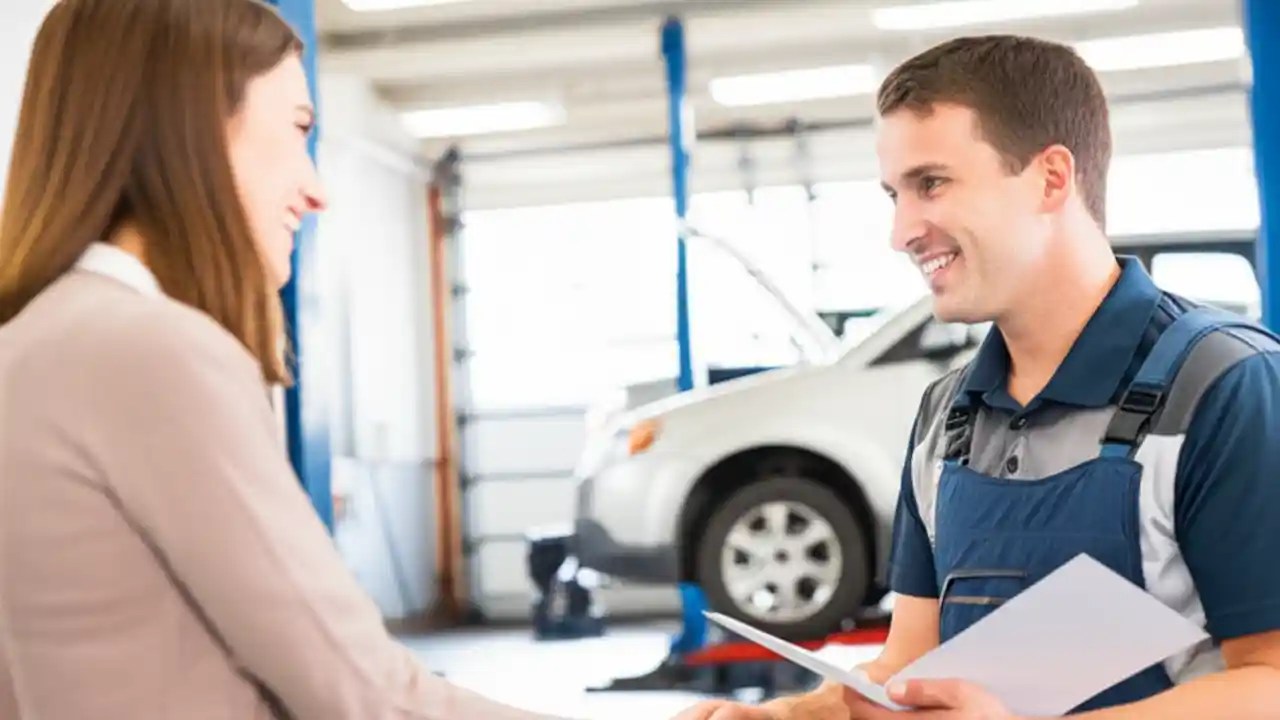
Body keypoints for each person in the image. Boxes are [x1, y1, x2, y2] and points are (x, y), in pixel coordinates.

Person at [673, 34, 1280, 720]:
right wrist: (790, 716)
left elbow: (1271, 681)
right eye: (893, 194)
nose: (901, 231)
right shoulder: (947, 416)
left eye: (931, 183)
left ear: (1052, 177)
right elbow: (908, 668)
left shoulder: (1226, 388)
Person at [0, 2, 563, 718]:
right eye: (299, 129)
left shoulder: (30, 344)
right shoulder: (150, 354)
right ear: (195, 123)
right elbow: (366, 697)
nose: (316, 188)